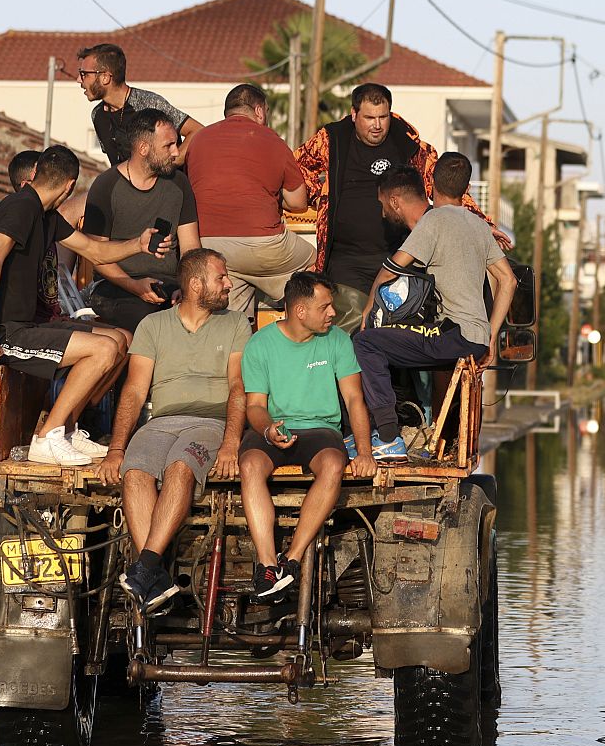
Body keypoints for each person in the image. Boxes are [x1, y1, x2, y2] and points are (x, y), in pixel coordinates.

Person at [0, 146, 168, 466]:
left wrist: (138, 244)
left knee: (120, 340)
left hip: (34, 326)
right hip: (6, 333)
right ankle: (47, 437)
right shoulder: (21, 208)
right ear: (70, 185)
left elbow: (94, 252)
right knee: (102, 350)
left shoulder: (46, 216)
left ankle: (67, 429)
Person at [100, 249, 250, 611]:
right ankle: (155, 579)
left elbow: (238, 387)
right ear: (196, 284)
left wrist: (231, 443)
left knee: (180, 468)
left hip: (210, 421)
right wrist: (116, 449)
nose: (229, 283)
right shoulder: (153, 326)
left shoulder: (236, 324)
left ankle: (146, 569)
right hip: (161, 423)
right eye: (221, 277)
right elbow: (135, 390)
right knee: (134, 473)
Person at [295, 83, 509, 331]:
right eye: (369, 118)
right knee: (353, 332)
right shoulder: (332, 139)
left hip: (398, 257)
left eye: (382, 117)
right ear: (354, 115)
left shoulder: (406, 142)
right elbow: (296, 167)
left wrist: (479, 223)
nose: (377, 125)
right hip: (346, 260)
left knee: (396, 335)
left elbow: (442, 183)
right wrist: (321, 197)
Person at [353, 167, 517, 462]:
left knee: (365, 342)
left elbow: (393, 267)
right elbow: (509, 280)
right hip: (474, 338)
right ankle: (408, 428)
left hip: (453, 334)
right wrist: (491, 336)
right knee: (399, 340)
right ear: (465, 187)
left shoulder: (434, 220)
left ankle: (388, 436)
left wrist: (369, 306)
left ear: (432, 184)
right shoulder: (478, 225)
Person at [239, 272, 378, 596]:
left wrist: (365, 452)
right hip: (274, 427)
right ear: (300, 311)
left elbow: (355, 399)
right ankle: (266, 567)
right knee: (250, 467)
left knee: (332, 464)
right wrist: (268, 429)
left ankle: (292, 559)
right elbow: (255, 406)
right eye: (326, 306)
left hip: (320, 429)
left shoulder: (338, 340)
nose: (333, 313)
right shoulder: (260, 343)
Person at [184, 83, 315, 317]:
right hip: (263, 245)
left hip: (209, 246)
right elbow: (298, 203)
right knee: (316, 260)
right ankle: (300, 327)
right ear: (259, 111)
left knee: (231, 316)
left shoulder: (199, 138)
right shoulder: (271, 139)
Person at [81, 110, 200, 333]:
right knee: (148, 320)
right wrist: (135, 287)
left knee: (202, 312)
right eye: (168, 146)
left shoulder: (179, 183)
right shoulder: (106, 185)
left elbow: (191, 249)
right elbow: (96, 255)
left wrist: (186, 287)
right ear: (143, 148)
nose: (176, 153)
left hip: (169, 285)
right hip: (116, 285)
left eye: (177, 144)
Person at [76, 43, 201, 166]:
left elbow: (197, 130)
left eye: (84, 74)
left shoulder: (149, 103)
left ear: (105, 77)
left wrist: (171, 164)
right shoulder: (97, 115)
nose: (79, 80)